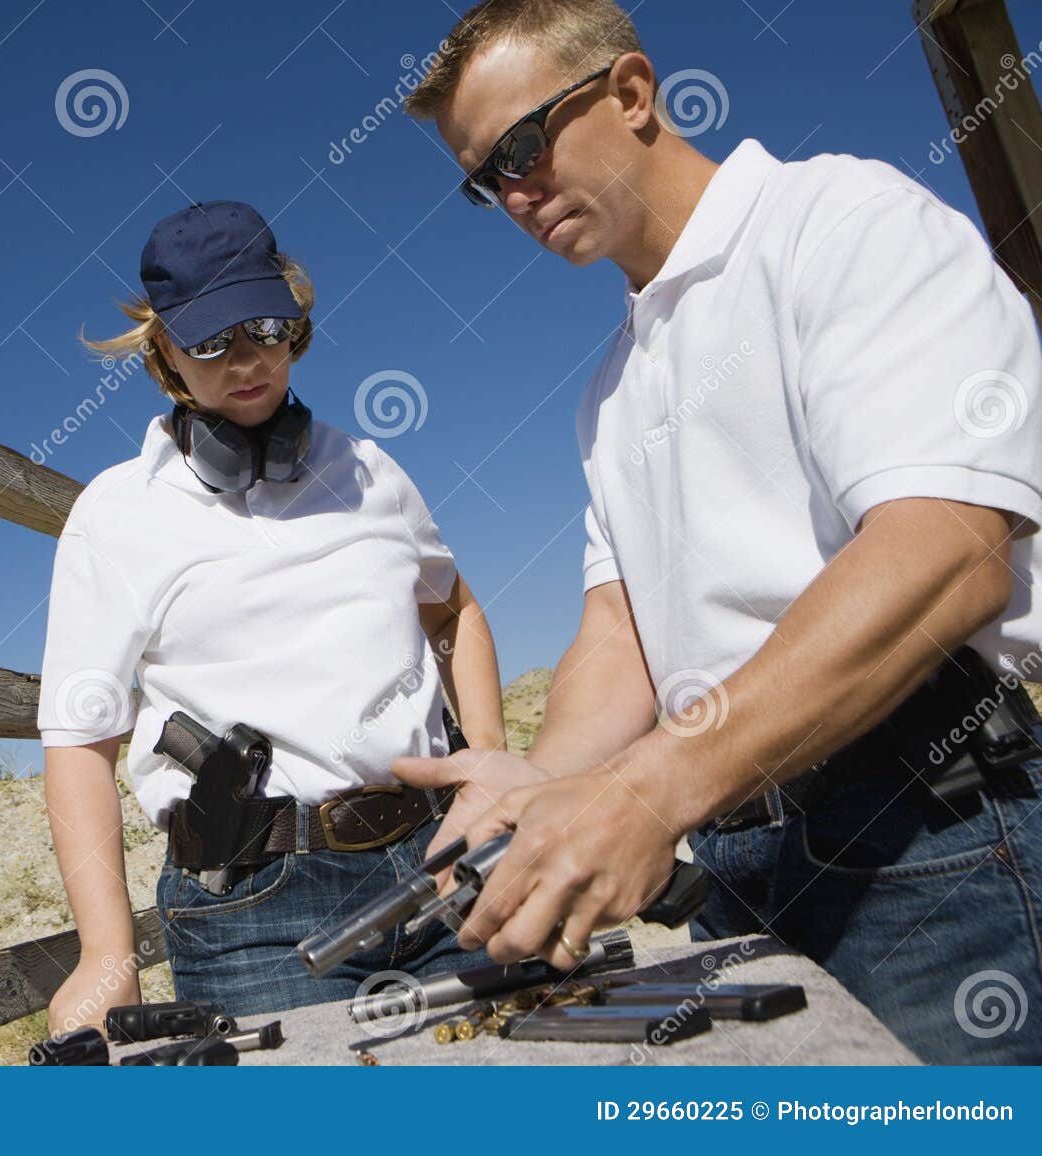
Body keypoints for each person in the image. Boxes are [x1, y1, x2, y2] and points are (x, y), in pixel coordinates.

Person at [393, 0, 1042, 1063]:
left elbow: (948, 551)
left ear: (633, 92)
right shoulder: (609, 386)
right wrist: (551, 779)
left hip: (923, 828)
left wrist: (648, 790)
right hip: (728, 850)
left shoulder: (840, 219)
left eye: (520, 145)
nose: (513, 193)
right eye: (482, 179)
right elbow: (622, 631)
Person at [38, 201, 507, 1030]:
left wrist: (491, 774)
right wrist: (107, 955)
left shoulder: (372, 472)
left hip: (439, 862)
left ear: (296, 325)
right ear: (163, 359)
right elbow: (82, 738)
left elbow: (454, 611)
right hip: (255, 913)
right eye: (209, 340)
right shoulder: (116, 513)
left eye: (263, 326)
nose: (245, 359)